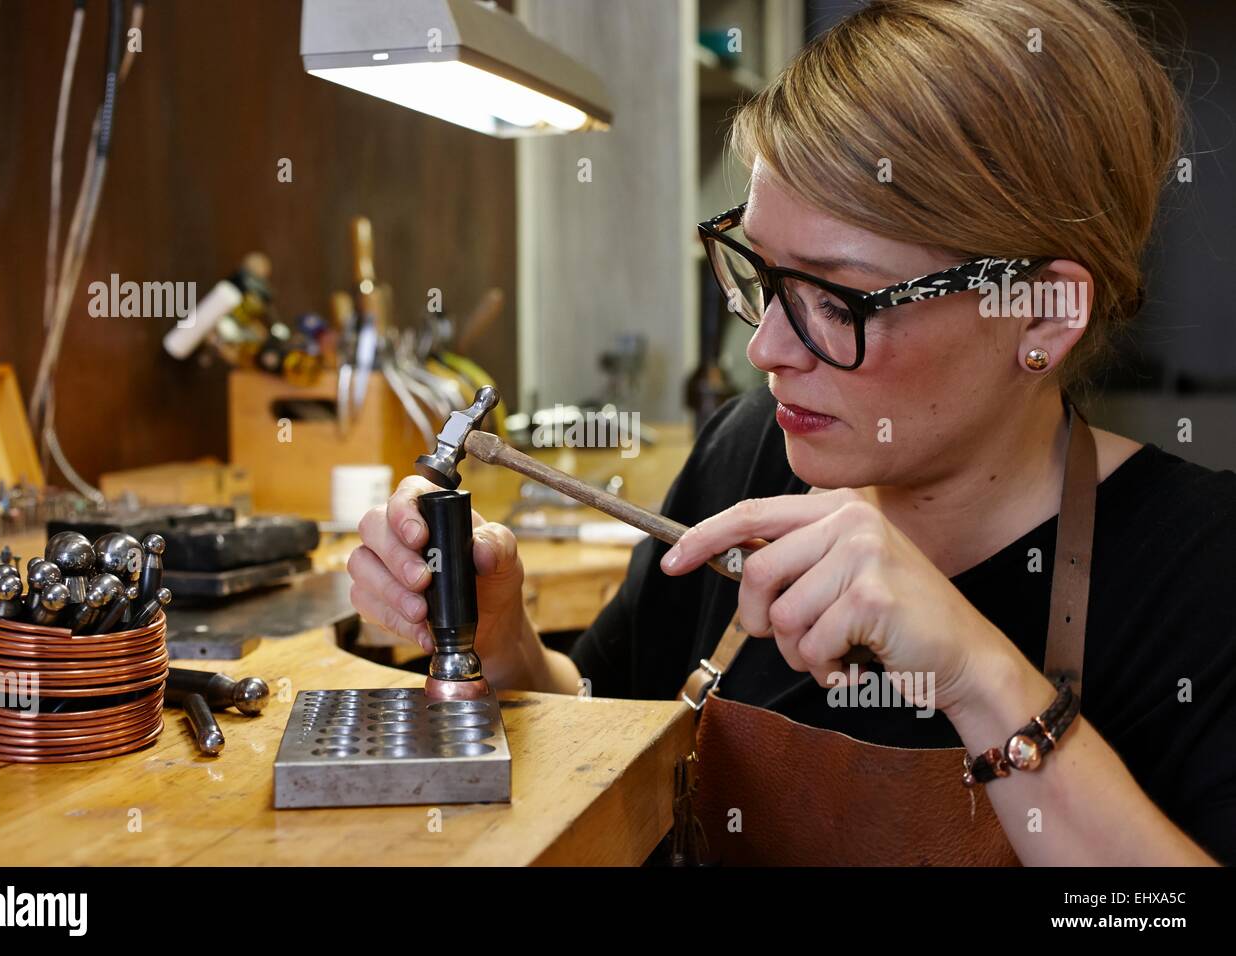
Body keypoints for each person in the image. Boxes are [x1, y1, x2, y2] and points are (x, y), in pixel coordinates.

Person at [349, 0, 1234, 865]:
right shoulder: (751, 453)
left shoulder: (1201, 570)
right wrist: (503, 651)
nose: (766, 348)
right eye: (763, 277)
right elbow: (611, 724)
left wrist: (976, 674)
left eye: (836, 299)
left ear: (1043, 316)